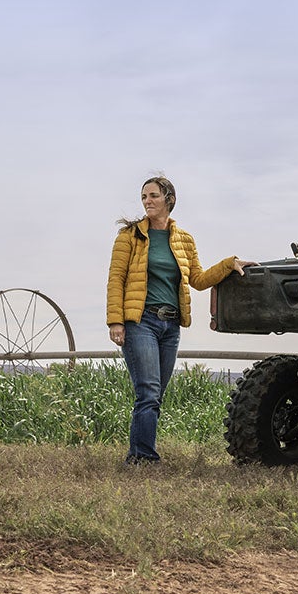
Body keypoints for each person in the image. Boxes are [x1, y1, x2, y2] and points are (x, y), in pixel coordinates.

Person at [105, 176, 250, 466]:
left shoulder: (184, 239)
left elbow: (197, 279)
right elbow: (116, 279)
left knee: (156, 394)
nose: (147, 201)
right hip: (140, 322)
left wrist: (228, 265)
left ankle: (138, 455)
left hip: (170, 325)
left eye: (153, 196)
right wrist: (115, 322)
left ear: (169, 199)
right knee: (147, 391)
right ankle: (144, 457)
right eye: (144, 196)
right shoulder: (129, 237)